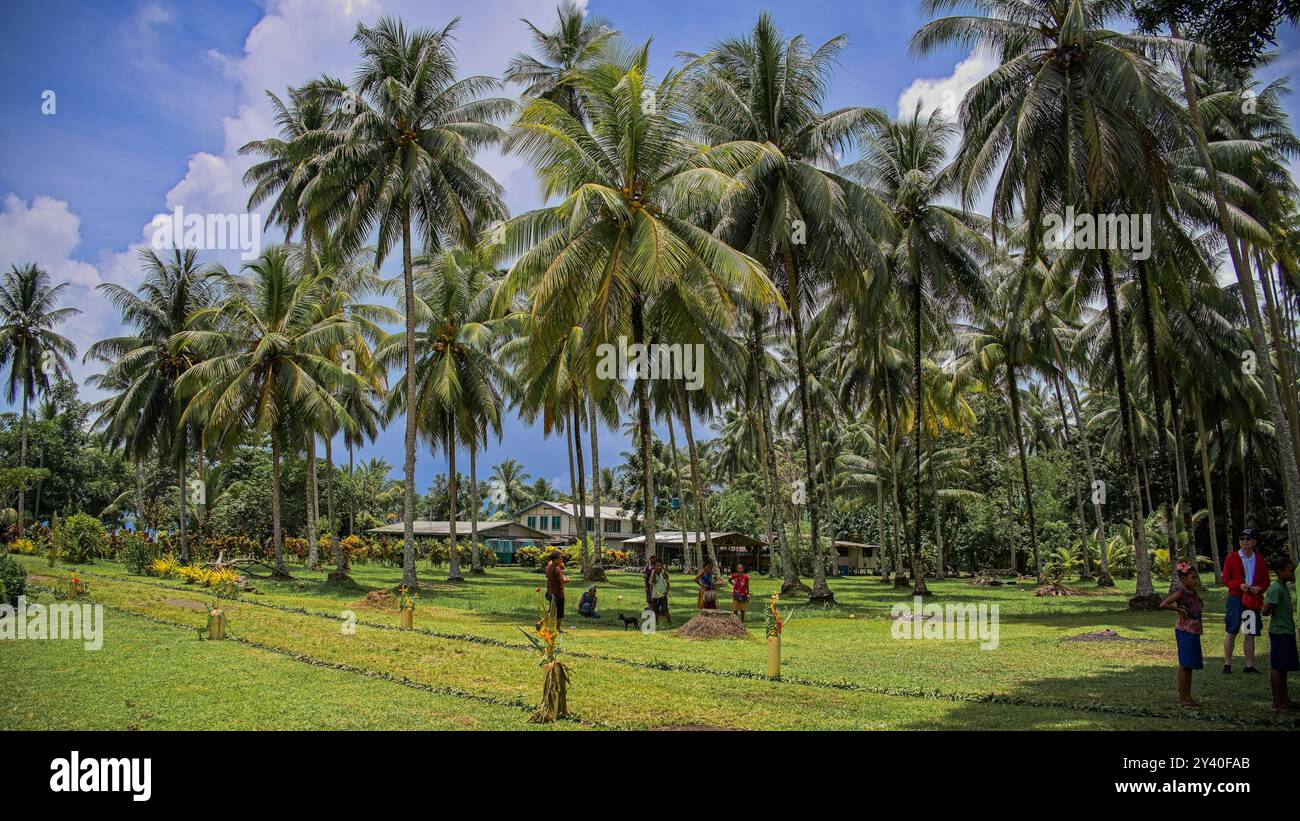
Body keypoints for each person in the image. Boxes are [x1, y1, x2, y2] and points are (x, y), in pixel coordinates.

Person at [1223, 528, 1270, 673]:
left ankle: (1249, 665)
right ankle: (1227, 664)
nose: (1245, 542)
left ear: (1254, 542)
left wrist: (1259, 588)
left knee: (1249, 632)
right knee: (1232, 630)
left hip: (1252, 599)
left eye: (1248, 539)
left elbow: (1266, 581)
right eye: (1242, 539)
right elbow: (1226, 580)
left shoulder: (1259, 559)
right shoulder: (1232, 558)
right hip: (1236, 598)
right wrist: (1239, 585)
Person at [1159, 562, 1205, 708]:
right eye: (1192, 577)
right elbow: (1164, 604)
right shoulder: (1181, 593)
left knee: (1190, 665)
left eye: (1196, 577)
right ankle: (1182, 697)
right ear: (1184, 579)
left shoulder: (1194, 593)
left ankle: (1188, 695)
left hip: (1194, 631)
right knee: (1185, 665)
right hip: (1185, 631)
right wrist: (1179, 610)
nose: (1195, 580)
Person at [1263, 556, 1297, 712]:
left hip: (1286, 630)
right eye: (1290, 571)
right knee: (1277, 667)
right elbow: (1266, 610)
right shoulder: (1276, 588)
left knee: (1283, 668)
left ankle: (1285, 699)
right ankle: (1278, 702)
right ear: (1280, 572)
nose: (1293, 573)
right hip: (1279, 631)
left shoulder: (1283, 587)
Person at [544, 551, 568, 622]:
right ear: (555, 559)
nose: (562, 559)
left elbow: (548, 578)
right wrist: (568, 580)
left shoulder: (548, 567)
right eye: (560, 557)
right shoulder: (557, 569)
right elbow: (562, 581)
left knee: (552, 610)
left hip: (550, 592)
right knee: (559, 612)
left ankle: (541, 622)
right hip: (558, 593)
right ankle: (558, 629)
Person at [648, 555, 671, 627]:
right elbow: (652, 584)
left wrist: (666, 592)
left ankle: (669, 623)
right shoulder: (653, 574)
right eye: (657, 565)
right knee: (655, 611)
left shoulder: (664, 574)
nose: (659, 567)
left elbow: (668, 584)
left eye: (660, 565)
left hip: (663, 595)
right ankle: (656, 623)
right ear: (654, 566)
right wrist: (651, 596)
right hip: (655, 596)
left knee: (666, 611)